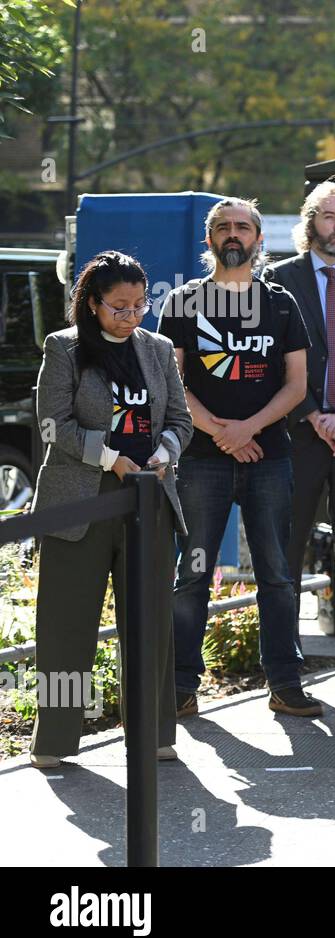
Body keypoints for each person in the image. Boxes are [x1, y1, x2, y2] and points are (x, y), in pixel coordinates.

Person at [28, 251, 193, 768]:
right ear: (92, 303)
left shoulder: (159, 348)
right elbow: (52, 424)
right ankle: (54, 741)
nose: (132, 316)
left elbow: (181, 421)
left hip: (148, 501)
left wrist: (163, 452)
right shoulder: (63, 348)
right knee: (64, 624)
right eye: (119, 307)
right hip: (79, 503)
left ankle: (153, 733)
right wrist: (111, 457)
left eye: (140, 304)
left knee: (149, 624)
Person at [159, 198, 315, 719]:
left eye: (242, 227)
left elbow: (297, 387)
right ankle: (181, 685)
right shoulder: (181, 303)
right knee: (193, 574)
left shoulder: (281, 304)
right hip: (201, 458)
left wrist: (248, 429)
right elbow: (172, 385)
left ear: (257, 239)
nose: (233, 234)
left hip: (269, 457)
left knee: (275, 573)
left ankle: (285, 684)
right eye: (223, 227)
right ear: (209, 240)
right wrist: (224, 434)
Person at [263, 181, 335, 690]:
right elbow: (269, 360)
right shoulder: (277, 280)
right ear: (311, 223)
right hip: (298, 432)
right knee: (286, 547)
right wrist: (313, 415)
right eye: (328, 217)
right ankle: (284, 662)